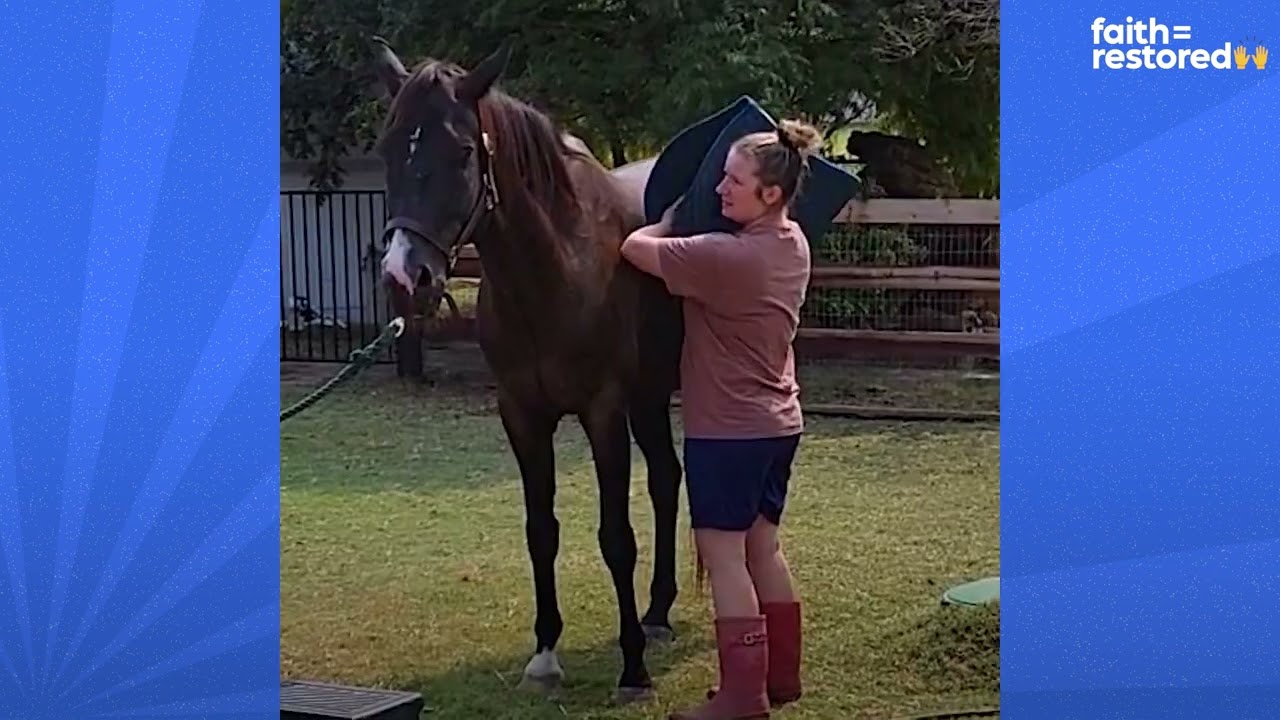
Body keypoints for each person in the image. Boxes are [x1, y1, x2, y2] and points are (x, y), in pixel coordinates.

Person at [620, 119, 821, 720]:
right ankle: (781, 677)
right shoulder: (793, 242)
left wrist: (670, 221)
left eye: (734, 181)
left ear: (771, 193)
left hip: (728, 429)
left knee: (725, 556)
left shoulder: (723, 256)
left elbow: (633, 248)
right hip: (779, 423)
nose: (719, 190)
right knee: (763, 547)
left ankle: (741, 697)